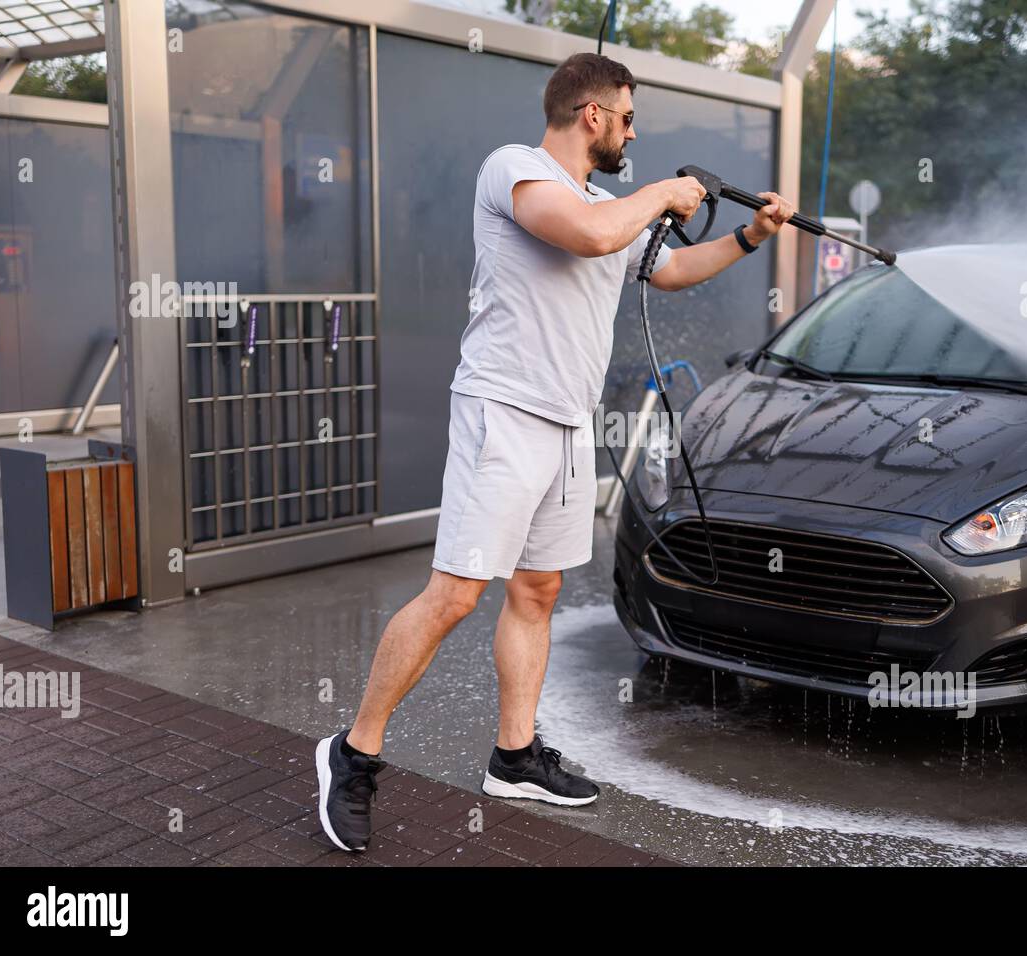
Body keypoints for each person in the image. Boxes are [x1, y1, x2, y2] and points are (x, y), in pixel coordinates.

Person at [316, 51, 794, 852]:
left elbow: (669, 270)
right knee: (454, 596)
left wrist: (748, 234)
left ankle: (513, 755)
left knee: (535, 593)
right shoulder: (516, 170)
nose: (634, 133)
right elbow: (587, 232)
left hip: (570, 423)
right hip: (502, 412)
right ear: (592, 114)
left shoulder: (611, 201)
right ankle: (352, 754)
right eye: (629, 117)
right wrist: (661, 195)